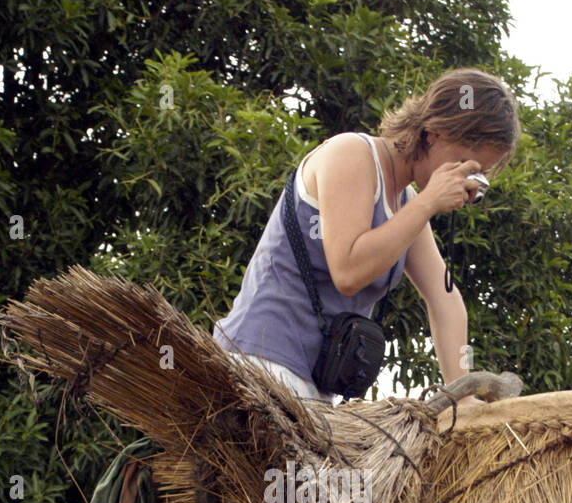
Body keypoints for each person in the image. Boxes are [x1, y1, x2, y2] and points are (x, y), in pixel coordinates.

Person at [213, 67, 521, 405]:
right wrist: (430, 202)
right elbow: (348, 271)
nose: (465, 179)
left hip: (314, 390)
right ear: (433, 133)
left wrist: (463, 396)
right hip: (260, 365)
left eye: (477, 174)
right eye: (464, 162)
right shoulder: (352, 154)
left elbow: (445, 299)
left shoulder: (406, 203)